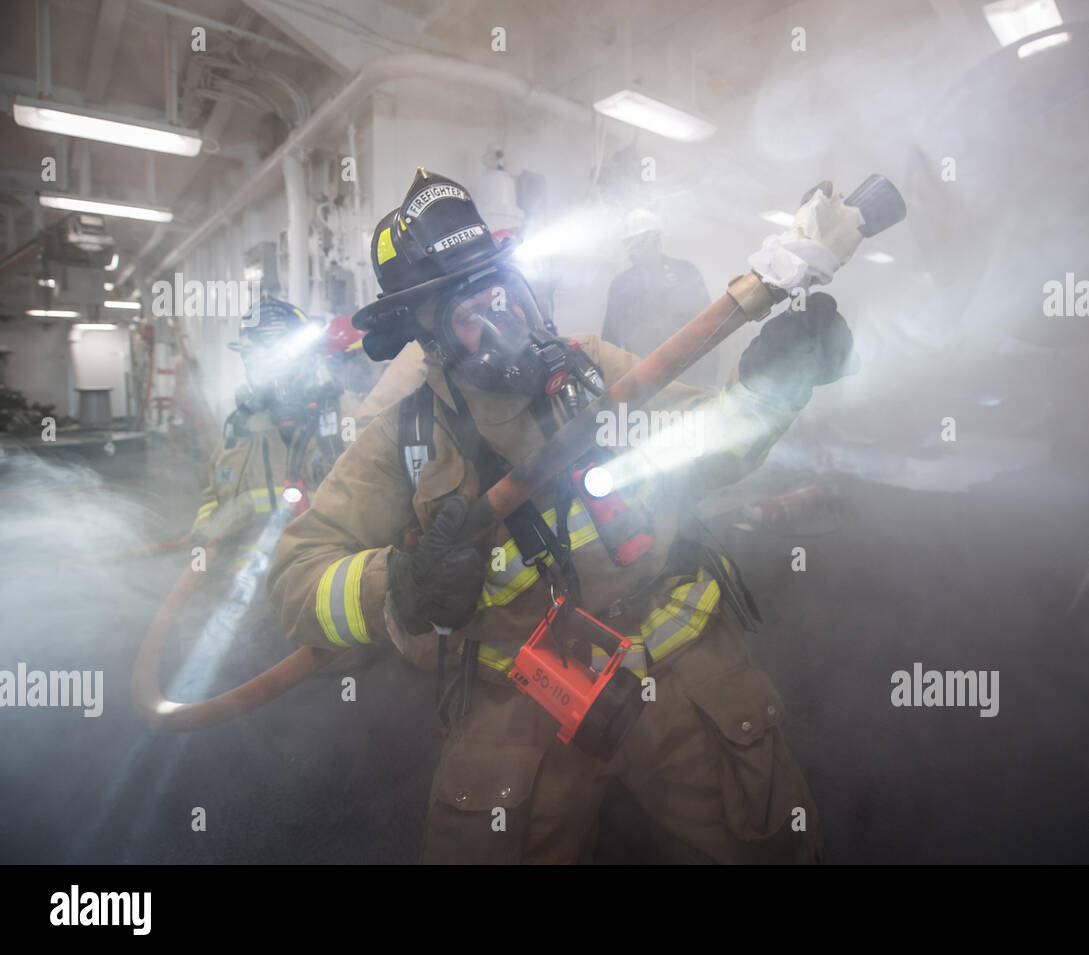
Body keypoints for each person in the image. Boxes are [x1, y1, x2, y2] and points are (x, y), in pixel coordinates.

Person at [266, 169, 856, 863]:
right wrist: (398, 582)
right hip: (522, 697)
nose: (500, 319)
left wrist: (771, 388)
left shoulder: (594, 369)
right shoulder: (405, 437)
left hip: (676, 663)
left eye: (501, 289)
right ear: (427, 333)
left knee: (771, 844)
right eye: (467, 309)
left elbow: (702, 447)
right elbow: (295, 574)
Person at [190, 295, 345, 546]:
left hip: (319, 565)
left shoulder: (338, 417)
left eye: (282, 361)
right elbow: (212, 498)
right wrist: (205, 534)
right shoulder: (238, 427)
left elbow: (366, 503)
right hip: (245, 573)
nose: (272, 374)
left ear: (306, 359)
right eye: (259, 362)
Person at [601, 209, 719, 389]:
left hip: (688, 376)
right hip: (643, 381)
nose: (636, 247)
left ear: (656, 238)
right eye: (631, 242)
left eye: (642, 240)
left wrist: (707, 381)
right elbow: (610, 342)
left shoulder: (685, 272)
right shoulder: (621, 286)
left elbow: (710, 325)